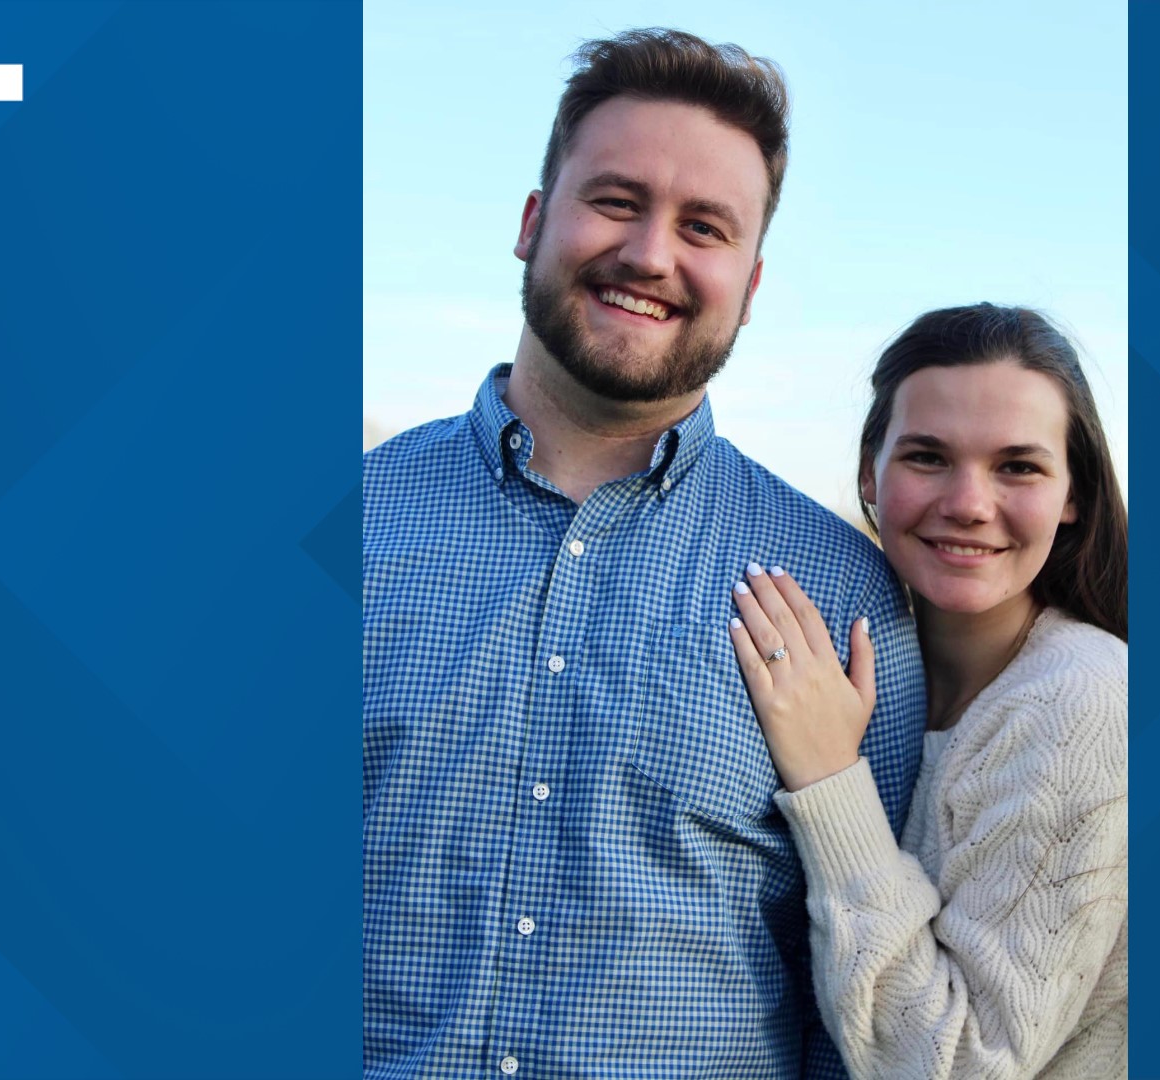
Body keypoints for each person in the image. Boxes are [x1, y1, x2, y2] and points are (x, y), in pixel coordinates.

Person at [362, 29, 926, 1080]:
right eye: (616, 201)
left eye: (703, 227)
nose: (651, 254)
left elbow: (854, 1006)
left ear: (750, 286)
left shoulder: (845, 596)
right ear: (534, 222)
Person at [726, 304, 1128, 1079]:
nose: (969, 503)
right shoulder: (873, 673)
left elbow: (954, 1065)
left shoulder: (1081, 702)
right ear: (869, 474)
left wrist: (829, 778)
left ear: (1072, 493)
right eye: (928, 457)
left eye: (1018, 465)